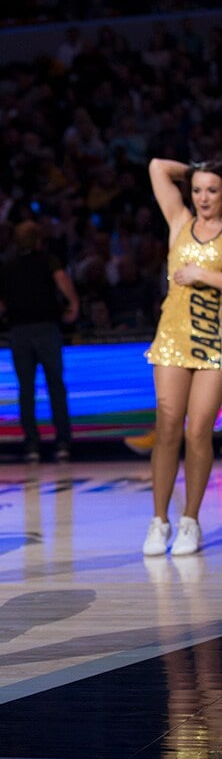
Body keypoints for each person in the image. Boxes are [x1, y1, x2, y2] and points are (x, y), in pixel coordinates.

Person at [142, 157, 222, 558]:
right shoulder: (180, 220)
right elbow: (157, 166)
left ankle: (190, 520)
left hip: (215, 343)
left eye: (212, 190)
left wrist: (203, 275)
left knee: (198, 432)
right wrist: (196, 167)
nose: (203, 197)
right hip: (173, 338)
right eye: (197, 189)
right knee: (168, 426)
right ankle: (159, 521)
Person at [0, 219, 79, 462]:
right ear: (38, 240)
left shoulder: (8, 267)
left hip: (19, 331)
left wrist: (14, 307)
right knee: (55, 386)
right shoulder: (48, 261)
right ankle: (62, 443)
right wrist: (73, 303)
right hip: (46, 329)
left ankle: (32, 445)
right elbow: (62, 279)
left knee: (26, 389)